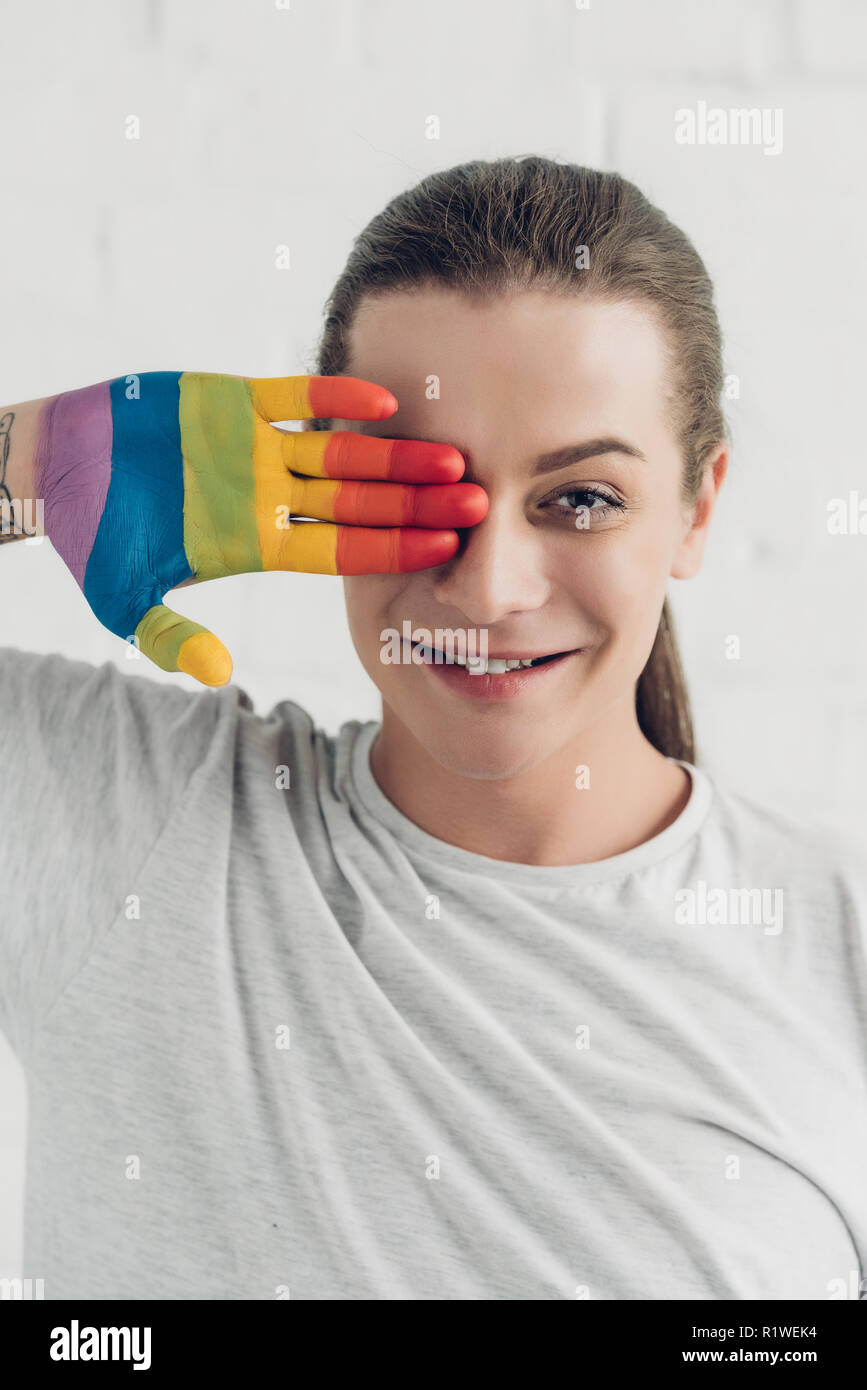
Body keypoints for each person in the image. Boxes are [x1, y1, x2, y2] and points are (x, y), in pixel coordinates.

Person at [1, 155, 865, 1301]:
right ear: (314, 476)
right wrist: (22, 464)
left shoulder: (833, 938)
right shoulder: (125, 821)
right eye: (417, 488)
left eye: (582, 498)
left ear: (697, 509)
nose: (491, 588)